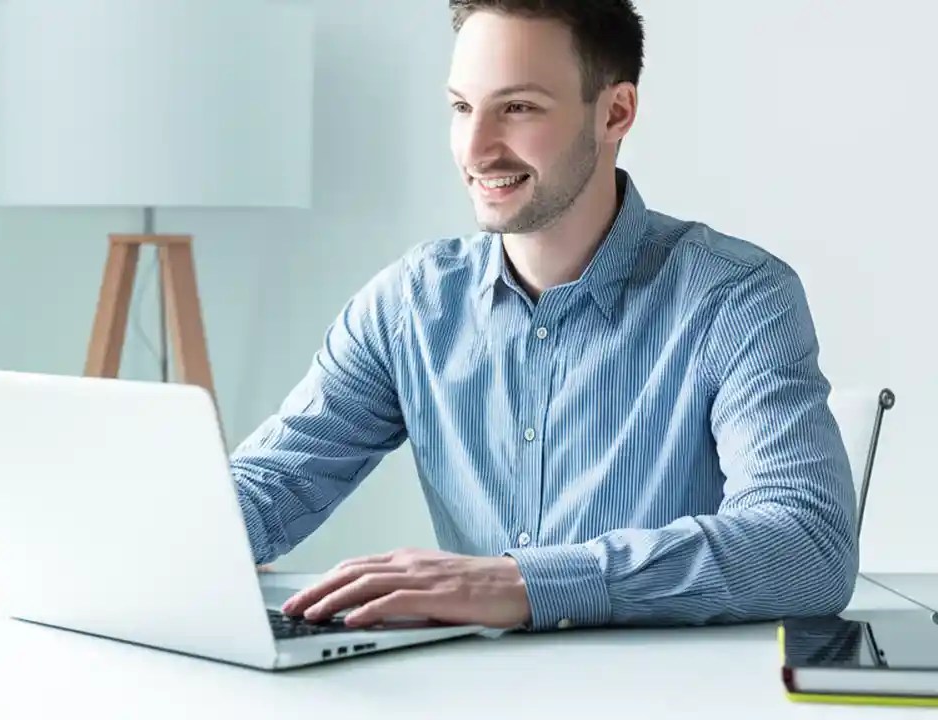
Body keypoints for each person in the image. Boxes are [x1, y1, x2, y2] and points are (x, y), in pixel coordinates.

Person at [230, 0, 858, 632]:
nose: (475, 149)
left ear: (615, 113)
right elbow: (271, 484)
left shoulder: (737, 298)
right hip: (471, 687)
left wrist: (527, 584)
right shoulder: (410, 306)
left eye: (518, 107)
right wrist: (160, 543)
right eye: (461, 107)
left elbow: (808, 544)